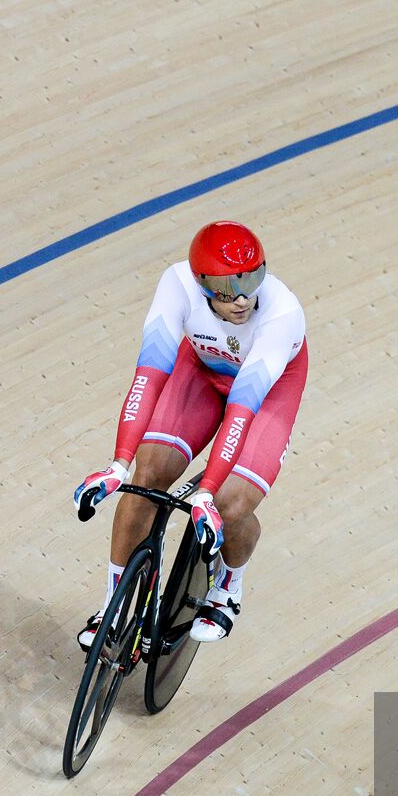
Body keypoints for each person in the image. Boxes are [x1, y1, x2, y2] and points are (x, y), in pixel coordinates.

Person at [73, 221, 307, 644]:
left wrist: (207, 492)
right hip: (200, 372)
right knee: (147, 475)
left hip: (265, 395)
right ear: (200, 284)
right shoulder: (176, 285)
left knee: (229, 504)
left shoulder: (282, 312)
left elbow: (242, 409)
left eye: (250, 279)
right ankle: (113, 608)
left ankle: (229, 586)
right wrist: (118, 463)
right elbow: (148, 377)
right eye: (224, 289)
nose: (240, 298)